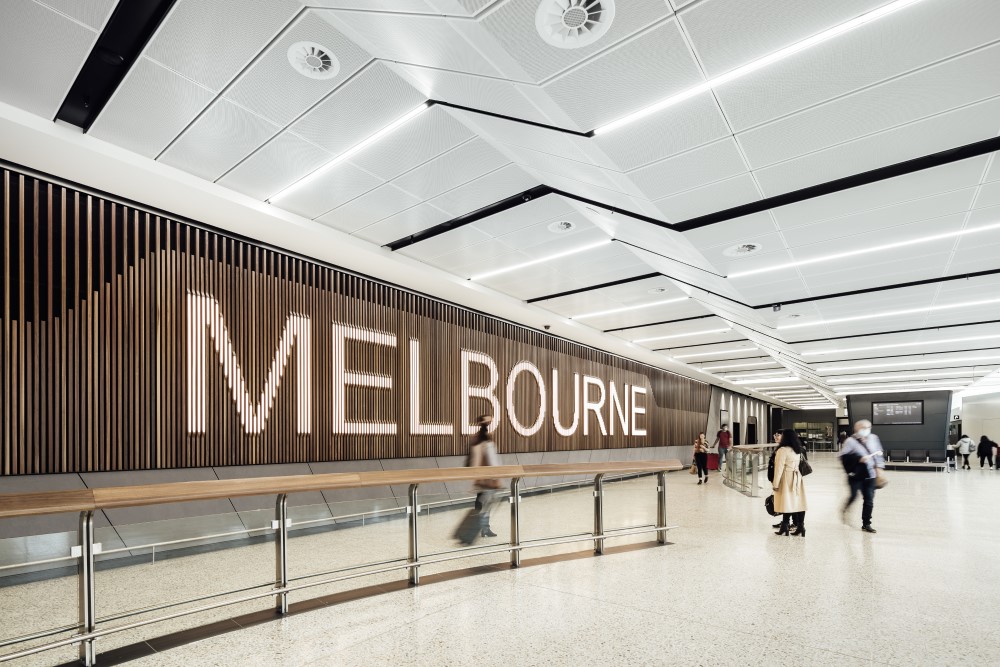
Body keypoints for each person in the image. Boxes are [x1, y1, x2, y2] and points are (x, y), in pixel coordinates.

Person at [839, 420, 885, 534]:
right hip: (856, 474)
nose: (866, 429)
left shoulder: (874, 438)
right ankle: (845, 509)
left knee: (869, 499)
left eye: (868, 427)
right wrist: (858, 459)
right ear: (857, 428)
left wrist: (879, 468)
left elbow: (879, 453)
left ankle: (866, 523)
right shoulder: (850, 441)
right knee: (854, 495)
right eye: (864, 427)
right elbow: (843, 456)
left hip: (871, 474)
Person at [468, 415, 502, 538]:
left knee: (480, 502)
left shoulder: (475, 440)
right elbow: (493, 461)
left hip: (479, 478)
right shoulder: (487, 442)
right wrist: (496, 478)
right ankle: (484, 528)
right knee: (486, 503)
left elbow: (473, 461)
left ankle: (479, 527)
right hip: (488, 478)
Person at [771, 429, 807, 537]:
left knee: (786, 502)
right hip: (797, 478)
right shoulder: (798, 449)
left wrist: (775, 484)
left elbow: (779, 469)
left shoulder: (782, 450)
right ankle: (800, 526)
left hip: (786, 478)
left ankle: (785, 527)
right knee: (798, 502)